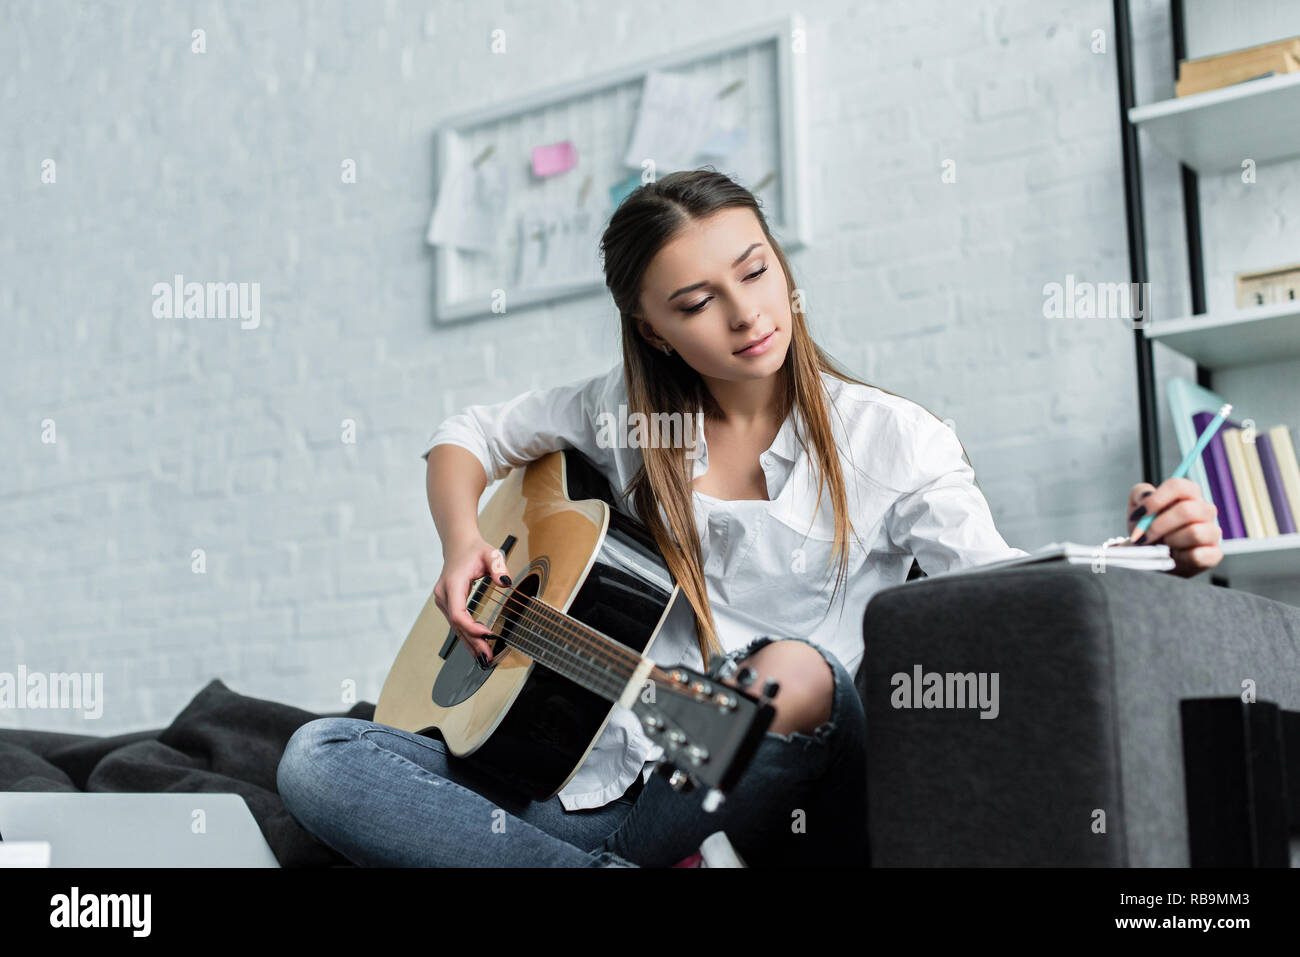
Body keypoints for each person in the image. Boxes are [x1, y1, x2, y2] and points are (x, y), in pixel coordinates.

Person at [276, 169, 1223, 868]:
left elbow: (997, 591)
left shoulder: (892, 440)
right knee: (321, 754)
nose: (747, 315)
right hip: (617, 786)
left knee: (795, 669)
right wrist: (460, 542)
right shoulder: (625, 415)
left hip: (784, 764)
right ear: (654, 329)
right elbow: (469, 433)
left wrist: (1144, 560)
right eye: (697, 302)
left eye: (757, 271)